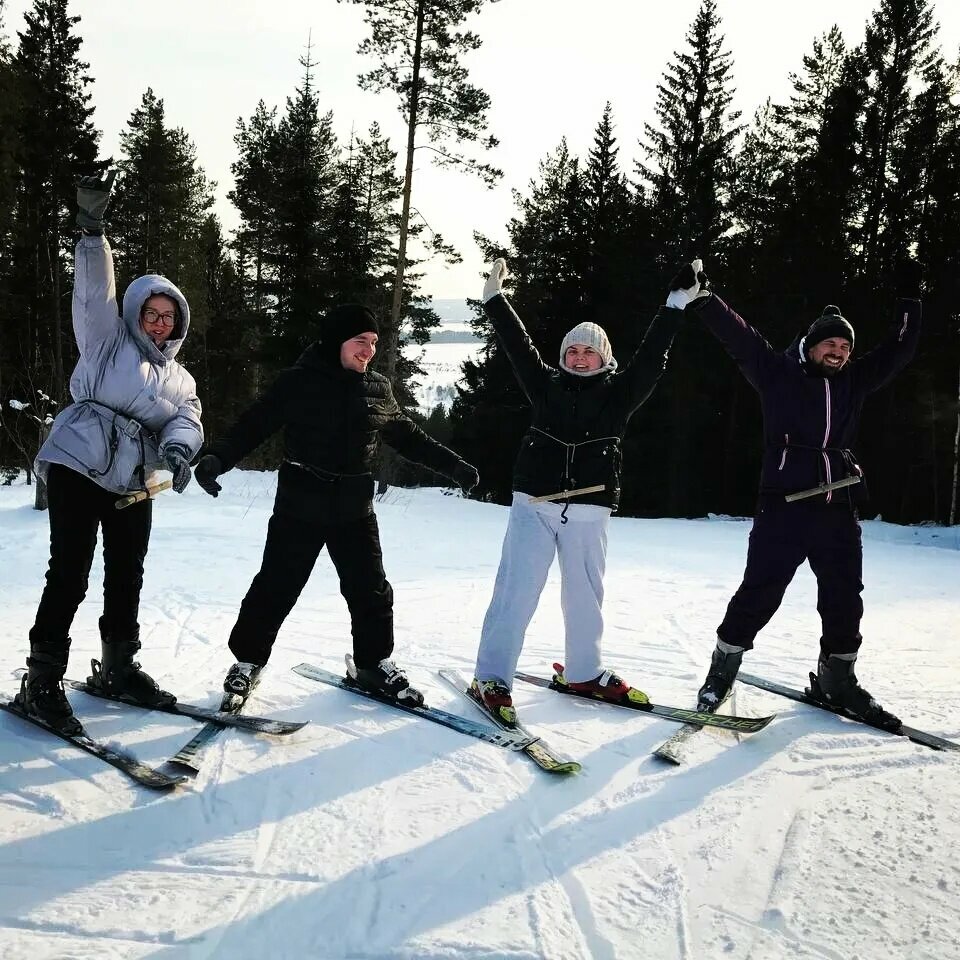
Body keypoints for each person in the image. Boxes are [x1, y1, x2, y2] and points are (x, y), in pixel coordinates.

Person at [193, 303, 480, 705]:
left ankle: (373, 664)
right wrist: (217, 459)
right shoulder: (298, 382)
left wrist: (456, 468)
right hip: (300, 505)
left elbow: (409, 437)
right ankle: (247, 662)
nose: (368, 351)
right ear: (336, 342)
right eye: (359, 341)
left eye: (374, 343)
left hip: (354, 509)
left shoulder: (377, 388)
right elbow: (254, 424)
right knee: (276, 587)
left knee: (371, 590)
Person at [688, 260, 923, 728]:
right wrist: (704, 298)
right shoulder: (779, 374)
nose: (837, 351)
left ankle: (838, 679)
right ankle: (722, 670)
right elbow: (741, 339)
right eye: (829, 343)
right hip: (784, 505)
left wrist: (910, 303)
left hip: (838, 506)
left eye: (844, 346)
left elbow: (900, 349)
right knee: (761, 590)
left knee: (844, 596)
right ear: (811, 345)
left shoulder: (855, 380)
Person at [16, 171, 203, 735]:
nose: (160, 321)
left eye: (169, 316)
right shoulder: (105, 337)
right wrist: (92, 232)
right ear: (136, 312)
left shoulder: (181, 377)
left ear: (178, 322)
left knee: (128, 573)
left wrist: (177, 452)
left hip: (135, 478)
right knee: (69, 572)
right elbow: (92, 291)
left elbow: (188, 418)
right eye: (152, 311)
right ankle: (42, 678)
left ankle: (118, 668)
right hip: (80, 459)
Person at [470, 258, 692, 726]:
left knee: (585, 594)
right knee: (518, 588)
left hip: (591, 506)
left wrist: (673, 305)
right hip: (534, 502)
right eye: (572, 351)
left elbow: (652, 357)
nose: (578, 357)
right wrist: (495, 300)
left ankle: (584, 672)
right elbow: (516, 345)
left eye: (588, 351)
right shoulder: (544, 385)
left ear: (604, 356)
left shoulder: (620, 393)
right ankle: (491, 676)